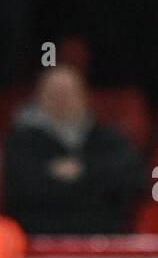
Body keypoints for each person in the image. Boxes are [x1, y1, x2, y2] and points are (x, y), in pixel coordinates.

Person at [2, 67, 146, 235]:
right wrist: (90, 185)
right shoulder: (21, 142)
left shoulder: (108, 139)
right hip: (37, 243)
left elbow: (132, 181)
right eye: (54, 94)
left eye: (68, 94)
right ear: (38, 98)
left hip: (103, 242)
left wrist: (81, 171)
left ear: (84, 97)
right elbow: (23, 189)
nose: (61, 101)